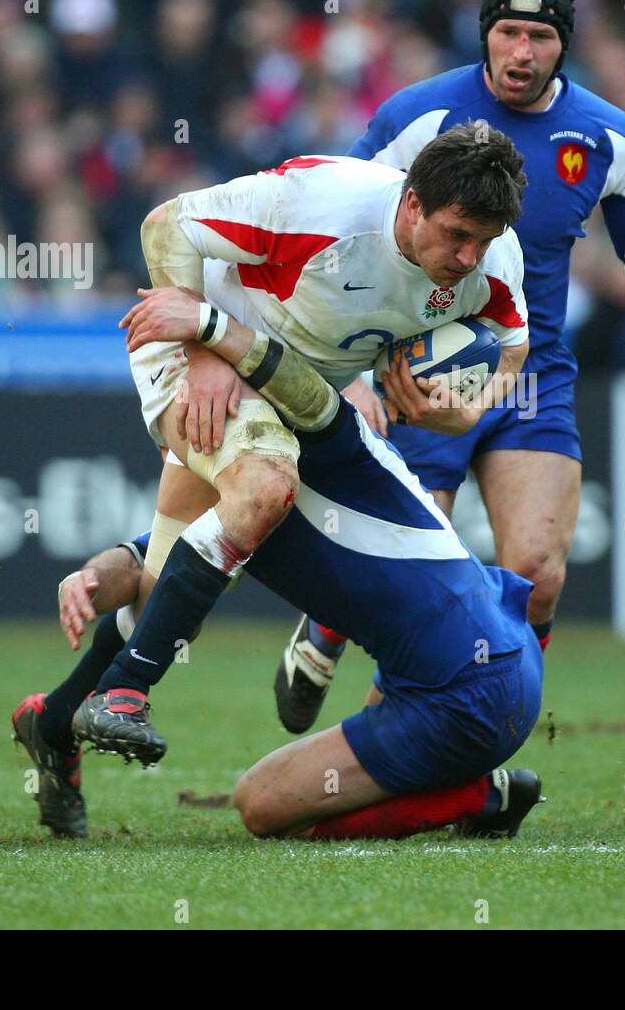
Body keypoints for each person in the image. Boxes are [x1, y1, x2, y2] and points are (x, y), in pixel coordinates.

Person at [274, 0, 625, 735]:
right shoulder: (420, 115)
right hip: (421, 371)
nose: (521, 51)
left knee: (536, 572)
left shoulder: (605, 135)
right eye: (508, 32)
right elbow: (343, 229)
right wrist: (355, 371)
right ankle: (336, 636)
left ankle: (450, 739)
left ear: (563, 45)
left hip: (534, 375)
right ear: (485, 35)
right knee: (416, 584)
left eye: (539, 36)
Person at [61, 123, 532, 763]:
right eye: (458, 235)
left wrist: (462, 414)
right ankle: (123, 693)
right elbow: (168, 224)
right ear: (414, 203)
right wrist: (203, 351)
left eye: (485, 240)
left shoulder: (492, 259)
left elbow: (511, 348)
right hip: (200, 350)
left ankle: (54, 721)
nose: (471, 257)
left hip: (303, 395)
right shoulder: (315, 204)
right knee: (265, 486)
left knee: (170, 601)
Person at [14, 374, 545, 842]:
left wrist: (208, 324)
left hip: (467, 691)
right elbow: (146, 567)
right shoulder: (245, 494)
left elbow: (291, 368)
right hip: (502, 653)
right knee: (170, 602)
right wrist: (87, 579)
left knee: (262, 804)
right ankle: (54, 721)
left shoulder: (310, 453)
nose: (188, 447)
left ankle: (480, 797)